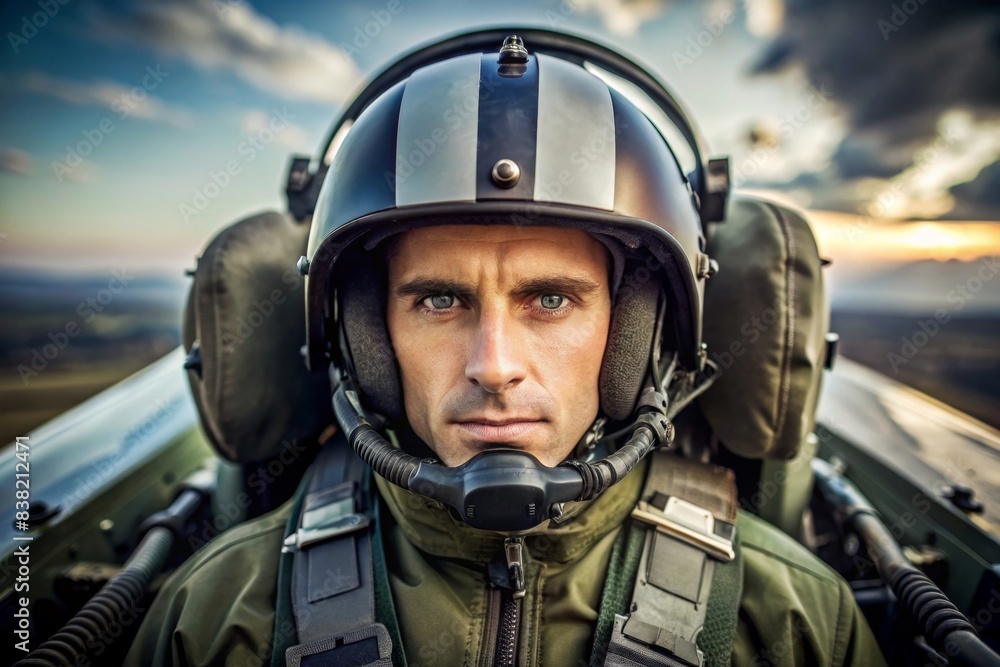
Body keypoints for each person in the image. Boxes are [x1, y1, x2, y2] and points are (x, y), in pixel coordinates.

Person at [125, 33, 887, 667]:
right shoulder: (218, 618)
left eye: (550, 300)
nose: (493, 365)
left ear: (642, 331)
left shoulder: (795, 623)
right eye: (438, 299)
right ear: (363, 336)